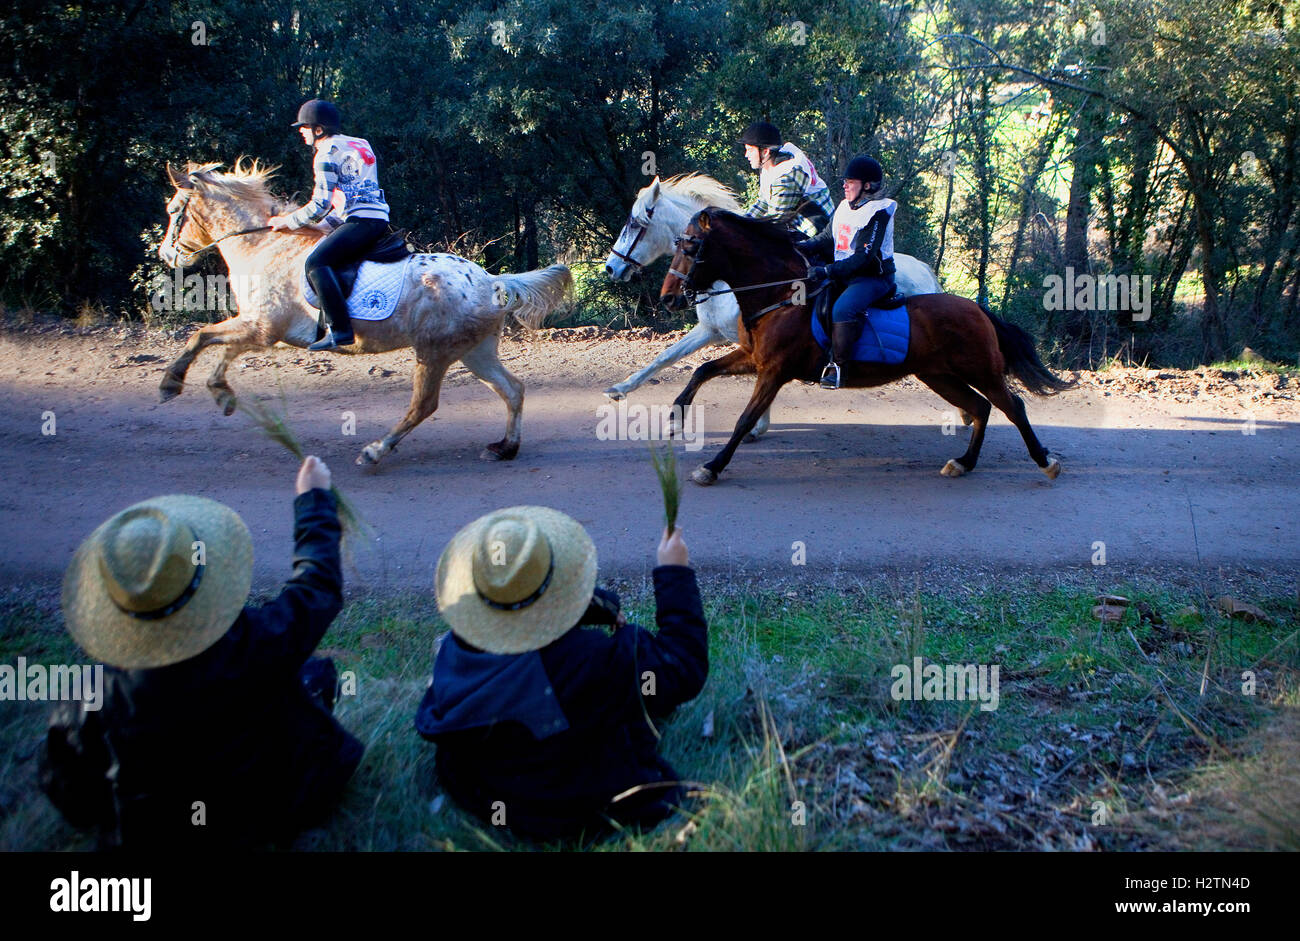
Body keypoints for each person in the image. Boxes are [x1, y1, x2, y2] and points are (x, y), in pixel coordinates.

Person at [39, 456, 363, 849]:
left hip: (155, 834)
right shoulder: (255, 644)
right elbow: (316, 588)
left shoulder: (92, 696)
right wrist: (313, 499)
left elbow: (65, 785)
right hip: (268, 815)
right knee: (311, 677)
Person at [415, 507, 708, 843]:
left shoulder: (459, 648)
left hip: (486, 795)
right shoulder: (586, 662)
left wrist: (602, 606)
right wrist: (674, 573)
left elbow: (523, 610)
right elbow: (682, 666)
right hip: (560, 811)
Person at [269, 98, 391, 351]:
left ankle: (340, 330)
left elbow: (319, 204)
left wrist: (287, 222)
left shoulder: (326, 152)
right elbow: (358, 191)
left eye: (304, 127)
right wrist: (329, 224)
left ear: (319, 129)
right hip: (376, 218)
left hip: (360, 221)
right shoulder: (360, 143)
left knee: (315, 262)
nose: (301, 132)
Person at [795, 155, 899, 389]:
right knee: (810, 297)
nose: (845, 185)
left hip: (873, 277)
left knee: (843, 308)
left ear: (867, 186)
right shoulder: (845, 206)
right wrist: (801, 246)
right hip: (846, 274)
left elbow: (863, 259)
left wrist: (827, 271)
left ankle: (838, 367)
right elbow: (827, 237)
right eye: (845, 181)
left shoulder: (878, 212)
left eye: (851, 181)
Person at [739, 121, 834, 239]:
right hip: (800, 220)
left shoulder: (786, 178)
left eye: (750, 150)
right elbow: (763, 202)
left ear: (765, 151)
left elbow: (773, 220)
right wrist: (740, 223)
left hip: (817, 228)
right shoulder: (770, 165)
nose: (746, 155)